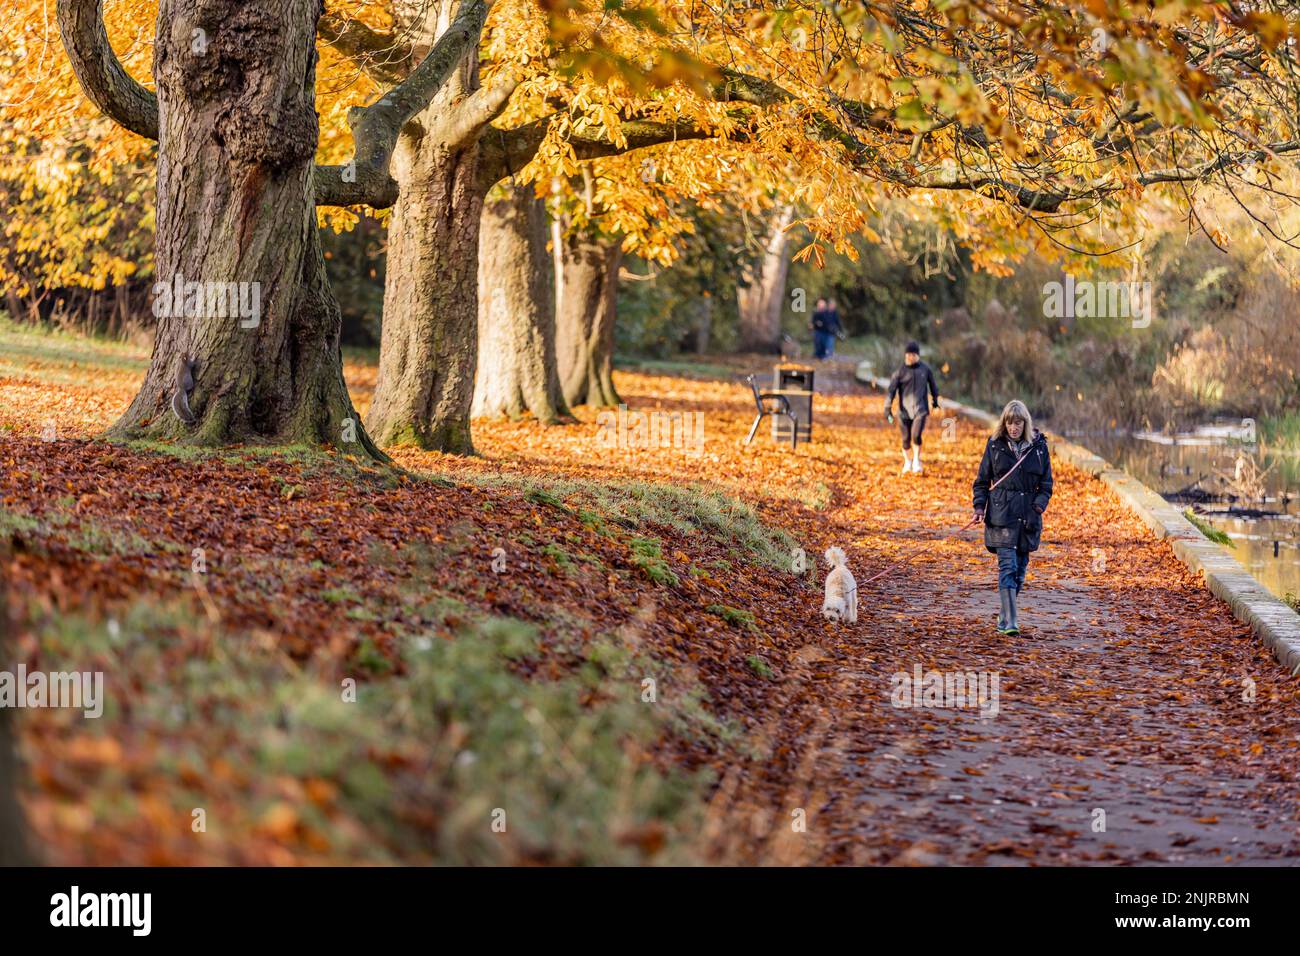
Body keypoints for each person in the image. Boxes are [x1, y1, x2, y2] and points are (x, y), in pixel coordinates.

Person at [971, 399, 1054, 635]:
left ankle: (1005, 613)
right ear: (1004, 423)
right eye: (1009, 422)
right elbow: (982, 480)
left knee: (1019, 572)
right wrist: (979, 507)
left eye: (1018, 422)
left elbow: (1046, 484)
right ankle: (1012, 622)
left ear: (1025, 423)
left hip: (1027, 518)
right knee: (1007, 567)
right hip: (1001, 516)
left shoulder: (1039, 448)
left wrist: (1039, 505)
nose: (1013, 427)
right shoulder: (995, 445)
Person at [884, 341, 940, 474]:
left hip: (920, 409)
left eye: (913, 355)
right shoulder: (899, 372)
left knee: (916, 435)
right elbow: (891, 391)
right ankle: (907, 461)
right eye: (908, 354)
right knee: (905, 439)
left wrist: (935, 401)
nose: (910, 357)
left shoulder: (925, 369)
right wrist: (887, 408)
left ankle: (916, 460)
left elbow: (933, 385)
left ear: (918, 356)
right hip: (904, 411)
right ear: (905, 356)